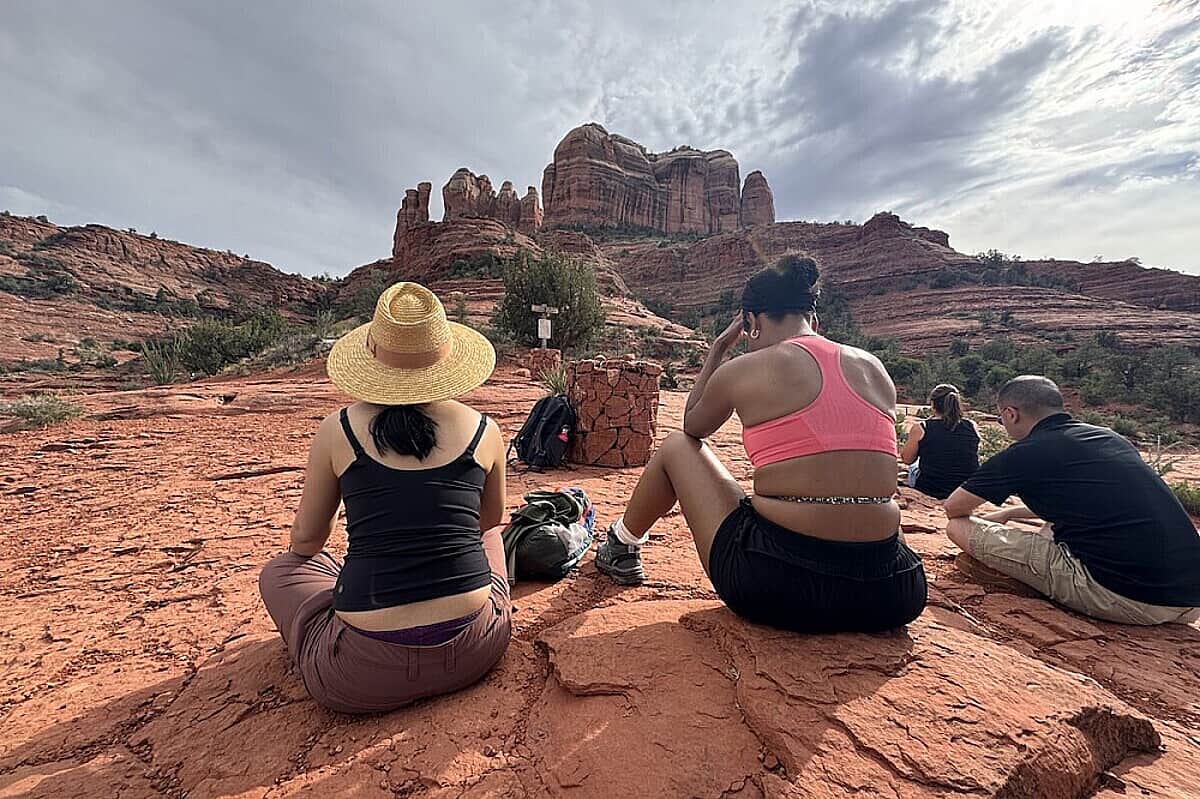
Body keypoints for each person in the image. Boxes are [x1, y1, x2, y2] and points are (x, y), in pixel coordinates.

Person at [595, 255, 927, 633]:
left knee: (675, 446)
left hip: (778, 583)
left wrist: (717, 351)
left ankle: (621, 545)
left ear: (750, 322)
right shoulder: (874, 367)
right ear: (813, 318)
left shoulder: (746, 369)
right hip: (894, 590)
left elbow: (692, 427)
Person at [259, 282, 511, 713]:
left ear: (374, 359)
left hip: (361, 673)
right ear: (445, 358)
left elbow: (306, 543)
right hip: (476, 649)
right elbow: (489, 520)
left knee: (281, 572)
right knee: (492, 540)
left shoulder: (338, 430)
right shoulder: (485, 430)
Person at [943, 375, 1200, 625]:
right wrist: (1009, 514)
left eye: (1002, 418)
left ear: (1011, 414)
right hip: (1189, 599)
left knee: (957, 527)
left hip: (1127, 597)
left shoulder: (1025, 452)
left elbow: (954, 507)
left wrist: (995, 517)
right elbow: (1096, 499)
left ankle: (1022, 580)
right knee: (1053, 527)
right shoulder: (1108, 437)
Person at [900, 384, 979, 499]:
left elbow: (907, 459)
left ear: (933, 404)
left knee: (914, 466)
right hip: (965, 490)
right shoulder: (972, 426)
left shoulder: (923, 427)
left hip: (930, 488)